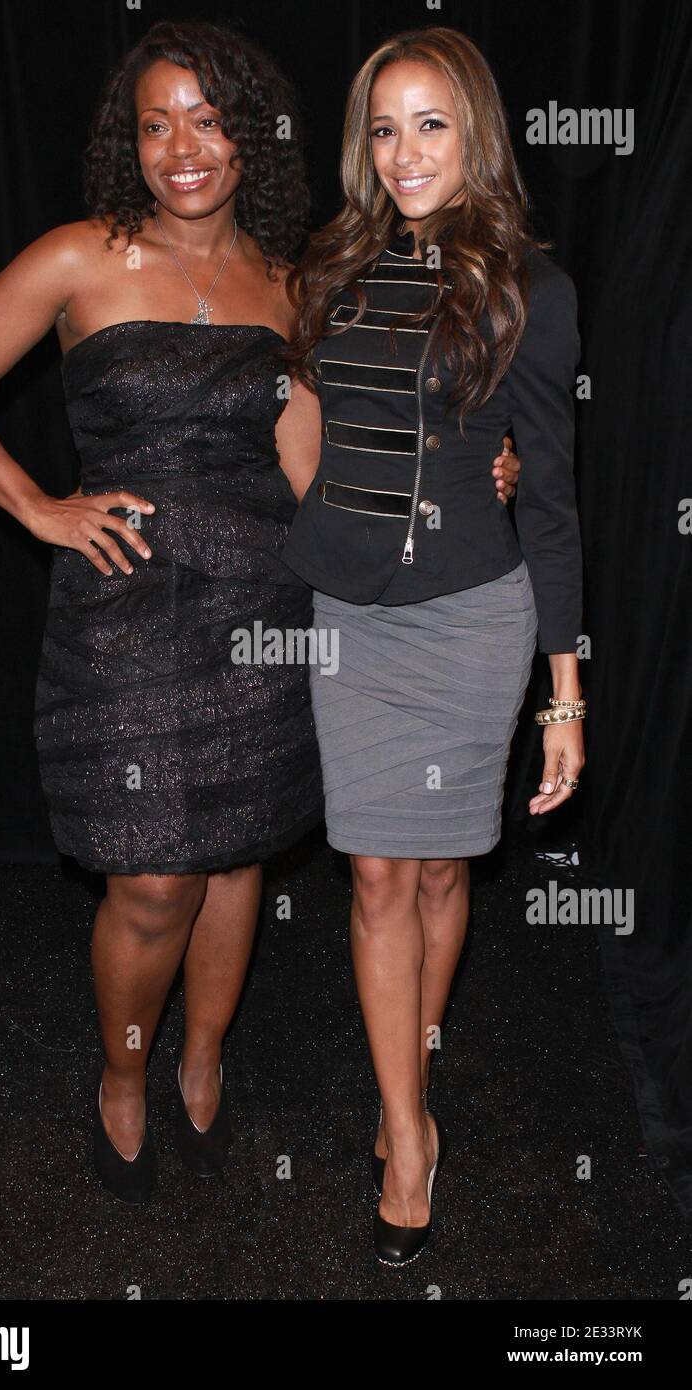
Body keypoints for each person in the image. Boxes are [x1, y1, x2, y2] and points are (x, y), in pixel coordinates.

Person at [0, 20, 522, 1210]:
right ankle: (123, 1075)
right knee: (152, 880)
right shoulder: (83, 257)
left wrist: (463, 479)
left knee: (238, 856)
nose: (182, 146)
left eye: (208, 119)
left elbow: (324, 462)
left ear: (252, 139)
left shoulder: (295, 285)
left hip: (266, 610)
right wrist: (37, 507)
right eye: (155, 122)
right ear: (126, 143)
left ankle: (203, 1058)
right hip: (126, 619)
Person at [281, 25, 585, 1266]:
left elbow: (552, 495)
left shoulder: (530, 284)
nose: (404, 153)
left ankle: (410, 1059)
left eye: (432, 124)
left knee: (445, 871)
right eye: (384, 126)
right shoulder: (330, 268)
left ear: (476, 135)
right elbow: (300, 406)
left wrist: (564, 694)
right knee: (373, 876)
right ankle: (408, 1134)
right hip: (354, 618)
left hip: (473, 618)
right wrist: (322, 512)